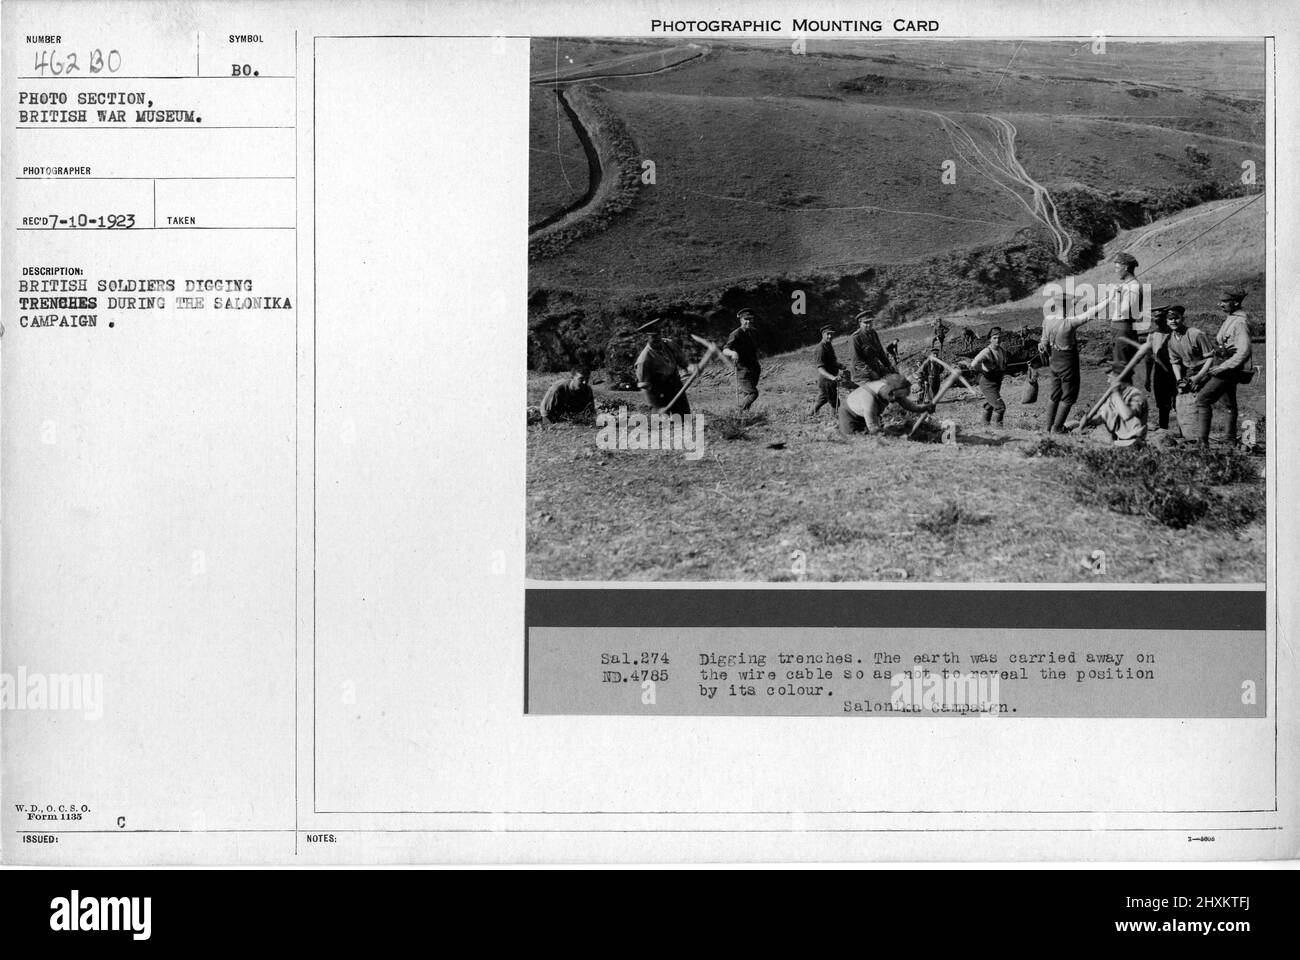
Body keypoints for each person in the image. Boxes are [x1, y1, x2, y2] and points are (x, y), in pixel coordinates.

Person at [1191, 289, 1255, 448]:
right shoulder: (1232, 318)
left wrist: (1223, 368)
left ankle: (1202, 443)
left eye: (1224, 301)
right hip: (1224, 364)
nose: (1220, 304)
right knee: (1229, 405)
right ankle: (1230, 441)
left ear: (1236, 303)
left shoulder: (1240, 322)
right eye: (1220, 301)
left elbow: (1244, 351)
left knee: (1202, 400)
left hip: (1228, 368)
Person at [1071, 251, 1145, 365]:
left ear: (1125, 267)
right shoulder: (1127, 285)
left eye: (1117, 267)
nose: (1115, 271)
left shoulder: (1133, 286)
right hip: (1119, 328)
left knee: (1121, 365)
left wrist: (1118, 295)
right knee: (1119, 362)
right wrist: (1112, 296)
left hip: (1123, 328)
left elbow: (1125, 311)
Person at [1038, 301, 1095, 433]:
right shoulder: (1068, 323)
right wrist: (1108, 300)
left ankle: (1048, 427)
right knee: (1069, 396)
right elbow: (1090, 314)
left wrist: (1044, 348)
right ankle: (1057, 428)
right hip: (1068, 363)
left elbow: (1043, 342)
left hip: (1054, 363)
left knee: (1054, 394)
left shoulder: (1048, 321)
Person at [838, 372, 935, 437]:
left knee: (869, 434)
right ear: (891, 393)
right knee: (855, 439)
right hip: (849, 414)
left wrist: (925, 408)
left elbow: (909, 406)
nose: (896, 400)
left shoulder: (894, 390)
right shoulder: (869, 400)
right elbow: (874, 429)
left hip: (866, 414)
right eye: (897, 397)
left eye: (900, 397)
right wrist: (895, 438)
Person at [635, 319, 692, 415]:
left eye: (658, 336)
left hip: (676, 388)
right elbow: (645, 388)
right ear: (647, 338)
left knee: (685, 419)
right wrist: (657, 408)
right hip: (659, 395)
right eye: (653, 337)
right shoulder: (644, 360)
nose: (657, 339)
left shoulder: (669, 344)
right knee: (663, 426)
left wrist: (691, 367)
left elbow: (683, 362)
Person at [1086, 360, 1149, 447]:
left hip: (1134, 442)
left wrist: (1116, 393)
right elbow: (1103, 415)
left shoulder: (1136, 395)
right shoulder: (1114, 396)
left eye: (1110, 378)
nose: (1108, 381)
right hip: (1118, 442)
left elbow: (1127, 415)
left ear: (1119, 380)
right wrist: (1089, 420)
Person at [1142, 306, 1177, 432]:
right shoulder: (1152, 335)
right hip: (1160, 371)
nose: (1157, 320)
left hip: (1175, 369)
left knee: (1178, 401)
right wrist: (1147, 378)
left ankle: (1184, 431)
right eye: (1155, 317)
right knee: (1163, 404)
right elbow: (1149, 357)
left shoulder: (1174, 333)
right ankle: (1164, 430)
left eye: (1160, 317)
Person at [722, 308, 762, 411]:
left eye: (750, 319)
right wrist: (733, 353)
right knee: (753, 393)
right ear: (741, 320)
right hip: (742, 369)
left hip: (754, 368)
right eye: (746, 319)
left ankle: (744, 416)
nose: (748, 321)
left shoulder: (754, 332)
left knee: (747, 394)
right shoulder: (736, 334)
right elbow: (725, 350)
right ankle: (738, 412)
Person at [968, 327, 1008, 425]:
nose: (997, 340)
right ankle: (998, 429)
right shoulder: (986, 352)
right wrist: (983, 370)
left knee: (991, 404)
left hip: (997, 382)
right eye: (994, 338)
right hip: (987, 383)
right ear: (990, 339)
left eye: (999, 337)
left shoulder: (1002, 351)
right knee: (1000, 407)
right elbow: (973, 364)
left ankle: (984, 425)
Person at [850, 310, 894, 383]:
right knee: (876, 392)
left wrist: (889, 366)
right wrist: (871, 372)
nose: (869, 325)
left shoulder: (873, 333)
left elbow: (880, 352)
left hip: (874, 368)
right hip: (861, 374)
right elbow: (857, 361)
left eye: (870, 322)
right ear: (860, 323)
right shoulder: (855, 338)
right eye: (866, 323)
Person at [811, 326, 842, 417]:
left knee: (823, 399)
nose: (830, 336)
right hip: (826, 381)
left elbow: (831, 362)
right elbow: (821, 369)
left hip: (830, 381)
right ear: (823, 334)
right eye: (828, 334)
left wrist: (840, 365)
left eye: (832, 334)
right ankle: (834, 420)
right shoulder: (820, 349)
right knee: (835, 402)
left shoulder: (829, 345)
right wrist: (833, 377)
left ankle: (810, 414)